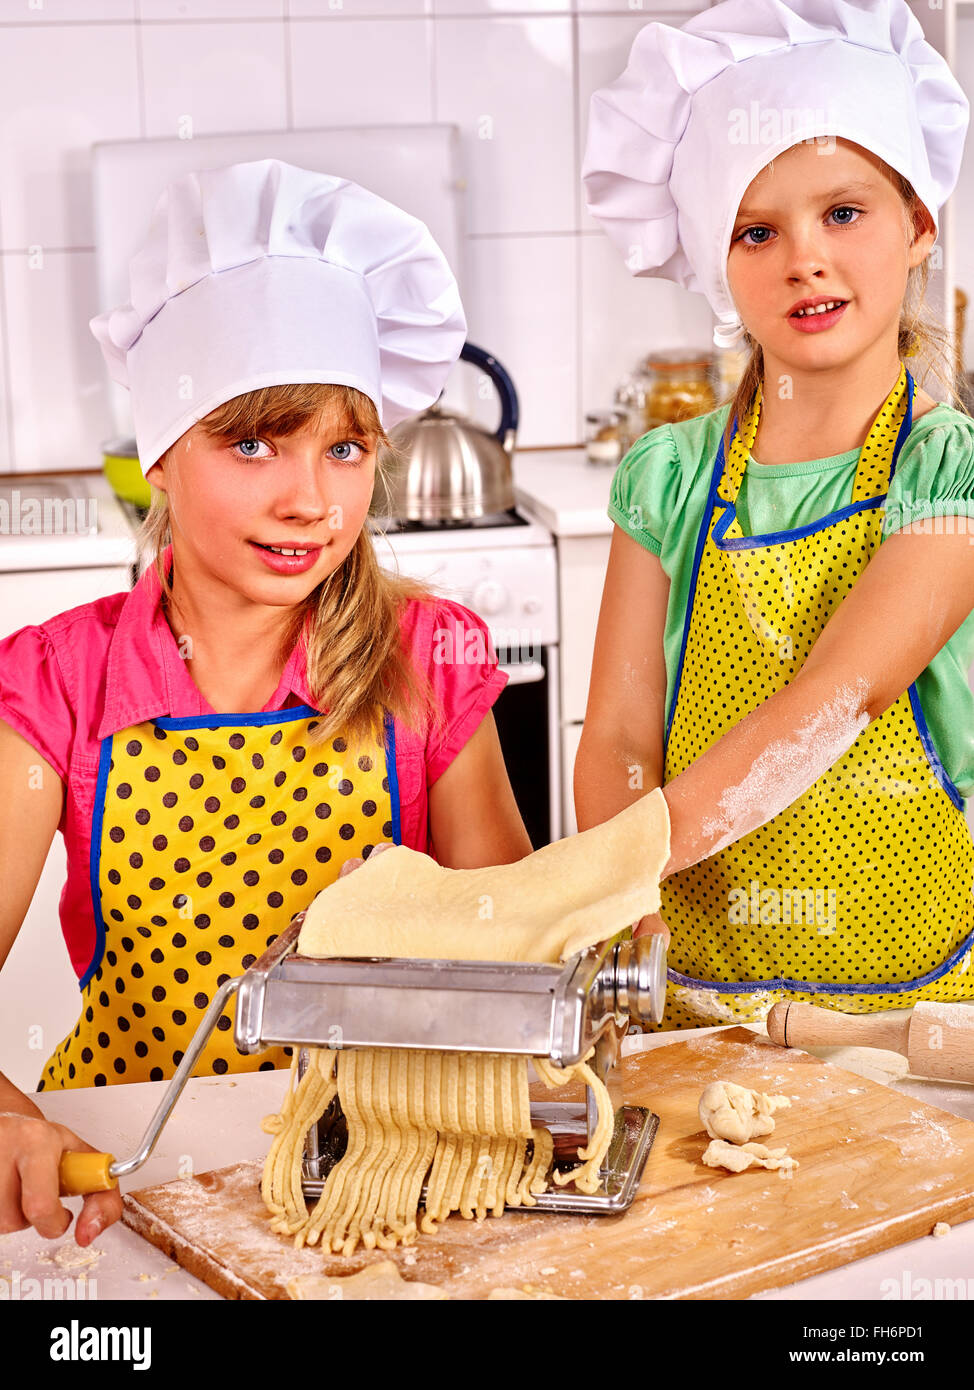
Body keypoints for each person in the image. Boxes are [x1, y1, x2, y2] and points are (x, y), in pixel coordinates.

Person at [0, 159, 531, 1244]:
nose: (308, 500)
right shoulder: (58, 681)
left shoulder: (429, 660)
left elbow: (510, 958)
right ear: (158, 454)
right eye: (251, 442)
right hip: (133, 1180)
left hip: (380, 1180)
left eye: (344, 448)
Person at [576, 0, 974, 1029]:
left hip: (905, 1023)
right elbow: (620, 731)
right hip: (694, 1001)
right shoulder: (664, 480)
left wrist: (588, 870)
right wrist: (623, 905)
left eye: (843, 212)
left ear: (918, 227)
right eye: (757, 231)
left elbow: (840, 698)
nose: (803, 257)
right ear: (720, 264)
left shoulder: (945, 475)